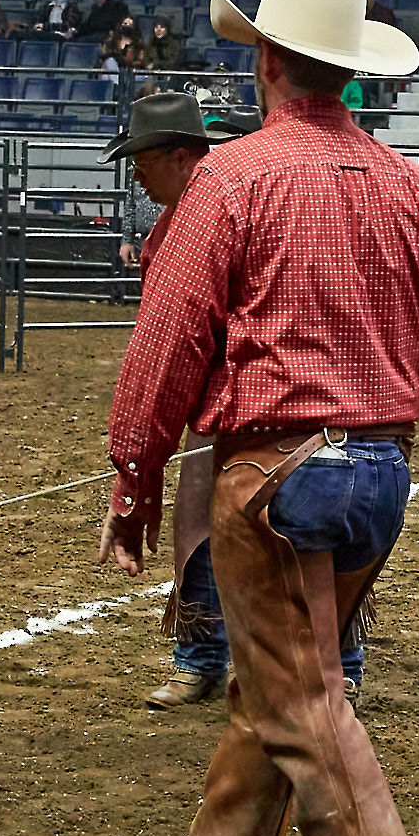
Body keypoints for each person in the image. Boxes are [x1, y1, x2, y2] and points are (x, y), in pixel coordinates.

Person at [107, 0, 419, 836]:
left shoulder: (231, 182)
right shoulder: (407, 187)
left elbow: (170, 339)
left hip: (272, 473)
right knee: (280, 693)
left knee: (306, 702)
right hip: (378, 473)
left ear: (267, 62)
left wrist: (134, 473)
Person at [104, 91, 258, 711]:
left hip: (246, 396)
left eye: (142, 157)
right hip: (219, 399)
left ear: (177, 155)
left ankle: (330, 665)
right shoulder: (180, 217)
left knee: (285, 542)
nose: (135, 171)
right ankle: (200, 658)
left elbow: (176, 335)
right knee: (203, 535)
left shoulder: (209, 211)